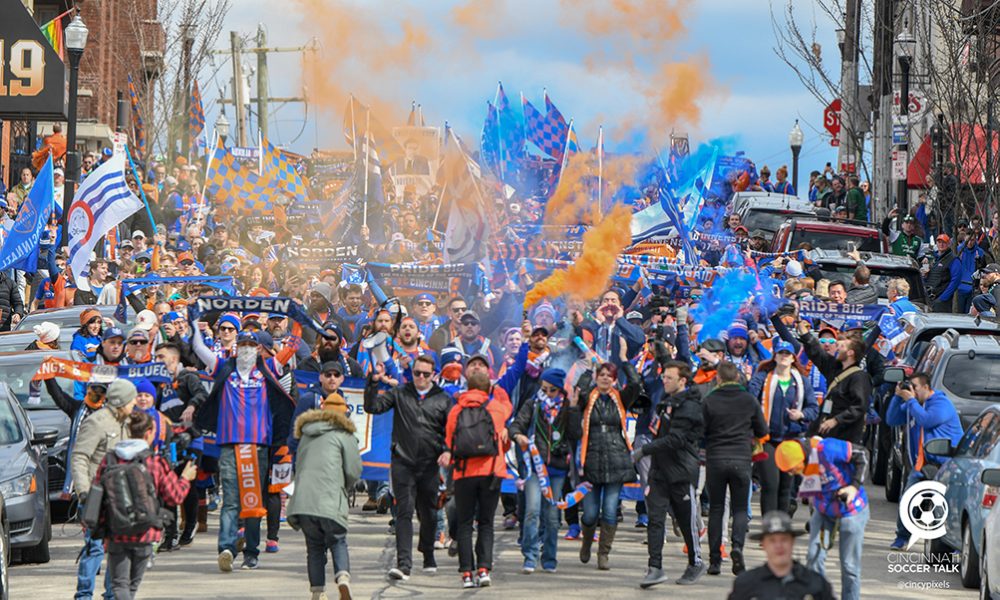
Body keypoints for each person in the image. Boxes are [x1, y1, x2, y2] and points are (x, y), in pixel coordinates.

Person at [192, 327, 298, 572]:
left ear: (258, 349)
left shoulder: (268, 369)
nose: (248, 349)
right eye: (244, 344)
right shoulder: (224, 368)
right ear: (236, 347)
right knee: (230, 500)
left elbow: (292, 344)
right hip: (229, 444)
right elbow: (199, 348)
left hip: (259, 445)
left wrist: (297, 316)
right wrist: (195, 321)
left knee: (252, 501)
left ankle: (251, 552)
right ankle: (226, 549)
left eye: (252, 345)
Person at [363, 354, 452, 581]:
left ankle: (428, 554)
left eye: (425, 374)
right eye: (417, 373)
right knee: (404, 512)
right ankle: (404, 564)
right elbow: (373, 407)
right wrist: (373, 383)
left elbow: (451, 430)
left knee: (429, 513)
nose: (421, 377)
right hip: (403, 461)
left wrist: (447, 450)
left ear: (434, 375)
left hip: (430, 464)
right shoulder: (400, 393)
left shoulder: (442, 398)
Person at [96, 411, 196, 600]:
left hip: (117, 531)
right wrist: (185, 478)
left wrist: (101, 528)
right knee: (131, 587)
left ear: (127, 430)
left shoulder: (110, 459)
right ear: (150, 432)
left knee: (119, 586)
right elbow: (175, 497)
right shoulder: (155, 462)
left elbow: (98, 496)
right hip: (146, 532)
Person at [635, 360, 706, 588]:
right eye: (664, 377)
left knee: (686, 522)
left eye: (669, 378)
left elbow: (675, 440)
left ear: (682, 381)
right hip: (659, 472)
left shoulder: (690, 407)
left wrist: (643, 451)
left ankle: (696, 562)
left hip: (682, 473)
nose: (664, 381)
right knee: (655, 519)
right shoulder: (669, 401)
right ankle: (654, 567)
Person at [287, 391, 363, 600]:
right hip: (330, 499)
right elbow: (354, 471)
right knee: (337, 540)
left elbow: (299, 466)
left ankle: (318, 592)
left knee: (314, 546)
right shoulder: (345, 435)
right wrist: (343, 487)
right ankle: (343, 579)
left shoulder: (305, 434)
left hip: (304, 501)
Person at [775, 436, 869, 600]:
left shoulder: (827, 449)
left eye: (792, 469)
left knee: (849, 566)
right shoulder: (805, 463)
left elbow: (863, 453)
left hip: (852, 509)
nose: (791, 473)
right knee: (813, 557)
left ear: (802, 458)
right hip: (824, 510)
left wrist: (853, 487)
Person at [508, 368, 581, 574]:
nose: (547, 393)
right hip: (534, 467)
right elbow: (516, 425)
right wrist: (518, 436)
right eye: (544, 389)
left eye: (552, 390)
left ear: (560, 390)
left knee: (551, 516)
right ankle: (530, 556)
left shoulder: (567, 407)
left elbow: (576, 433)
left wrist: (574, 409)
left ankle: (549, 558)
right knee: (532, 511)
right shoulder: (533, 404)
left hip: (557, 469)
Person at [444, 369, 513, 588]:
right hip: (491, 471)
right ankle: (483, 569)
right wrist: (496, 390)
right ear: (487, 388)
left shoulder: (456, 410)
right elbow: (503, 436)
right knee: (486, 522)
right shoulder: (495, 408)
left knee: (464, 524)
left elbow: (449, 440)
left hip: (463, 472)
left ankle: (466, 573)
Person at [70, 379, 138, 600]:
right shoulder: (97, 422)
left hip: (120, 498)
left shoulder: (128, 423)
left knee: (118, 551)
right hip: (95, 496)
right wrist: (83, 493)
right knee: (94, 549)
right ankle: (84, 595)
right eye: (132, 400)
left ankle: (111, 595)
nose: (135, 403)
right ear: (121, 401)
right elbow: (80, 457)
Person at [575, 350, 643, 571]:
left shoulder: (620, 398)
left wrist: (624, 360)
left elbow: (635, 384)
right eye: (601, 374)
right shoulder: (588, 398)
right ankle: (586, 542)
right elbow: (580, 389)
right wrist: (588, 367)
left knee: (611, 509)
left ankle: (603, 553)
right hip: (592, 458)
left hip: (616, 459)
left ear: (614, 380)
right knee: (591, 512)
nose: (605, 378)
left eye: (609, 375)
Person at [702, 361, 768, 576]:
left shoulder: (709, 400)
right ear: (738, 378)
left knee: (716, 509)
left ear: (718, 378)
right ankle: (737, 548)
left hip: (716, 459)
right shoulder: (749, 400)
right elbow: (762, 429)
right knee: (739, 509)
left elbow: (700, 432)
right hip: (741, 458)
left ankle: (714, 560)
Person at [885, 372, 963, 549]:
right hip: (922, 464)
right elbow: (891, 419)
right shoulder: (915, 404)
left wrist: (910, 401)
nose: (911, 391)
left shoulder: (941, 404)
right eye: (909, 387)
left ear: (927, 387)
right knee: (908, 499)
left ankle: (948, 545)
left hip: (944, 464)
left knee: (943, 507)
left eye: (915, 387)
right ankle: (902, 538)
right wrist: (898, 397)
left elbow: (926, 421)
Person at [749, 341, 818, 516]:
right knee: (771, 484)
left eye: (788, 353)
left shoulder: (801, 382)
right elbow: (751, 400)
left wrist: (801, 415)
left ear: (794, 358)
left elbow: (813, 408)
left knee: (786, 487)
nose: (784, 356)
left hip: (792, 439)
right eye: (781, 353)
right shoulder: (763, 378)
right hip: (768, 438)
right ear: (775, 356)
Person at [728, 511, 835, 600]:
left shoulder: (815, 584)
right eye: (772, 541)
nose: (778, 546)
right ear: (763, 544)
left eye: (784, 540)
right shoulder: (747, 583)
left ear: (792, 542)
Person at [797, 322, 871, 445]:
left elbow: (859, 406)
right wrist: (802, 327)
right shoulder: (835, 368)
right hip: (825, 433)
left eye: (841, 347)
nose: (836, 349)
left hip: (844, 438)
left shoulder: (859, 377)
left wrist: (836, 420)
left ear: (850, 353)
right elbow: (816, 352)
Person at [926, 234, 960, 312]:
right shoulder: (933, 258)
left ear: (949, 244)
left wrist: (942, 298)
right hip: (930, 298)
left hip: (942, 302)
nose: (941, 244)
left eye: (944, 242)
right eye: (939, 242)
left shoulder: (954, 260)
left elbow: (955, 281)